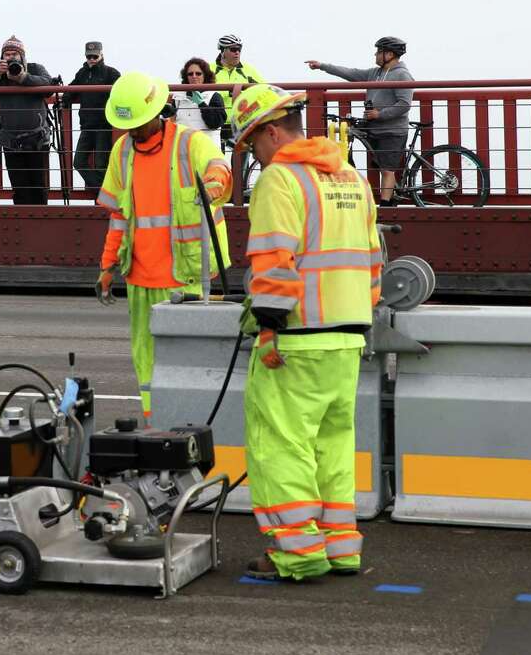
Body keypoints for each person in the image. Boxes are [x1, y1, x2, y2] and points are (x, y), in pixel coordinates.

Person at [229, 83, 381, 582]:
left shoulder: (281, 179)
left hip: (297, 338)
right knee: (334, 447)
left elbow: (274, 259)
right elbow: (373, 260)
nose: (253, 154)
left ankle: (296, 553)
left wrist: (269, 326)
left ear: (272, 132)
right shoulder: (351, 178)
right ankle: (341, 549)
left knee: (282, 446)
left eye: (252, 143)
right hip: (348, 335)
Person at [94, 71, 233, 420]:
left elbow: (220, 168)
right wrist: (107, 266)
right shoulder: (122, 152)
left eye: (141, 122)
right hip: (140, 277)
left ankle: (193, 421)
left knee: (190, 360)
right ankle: (154, 419)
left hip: (185, 277)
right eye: (130, 125)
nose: (135, 131)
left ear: (159, 112)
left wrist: (215, 183)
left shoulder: (190, 144)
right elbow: (118, 217)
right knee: (146, 358)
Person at [306, 37, 414, 206]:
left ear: (390, 54)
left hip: (392, 130)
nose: (376, 54)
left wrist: (380, 114)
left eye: (379, 51)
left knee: (387, 170)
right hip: (374, 128)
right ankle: (387, 198)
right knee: (380, 165)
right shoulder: (375, 73)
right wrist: (322, 66)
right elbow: (350, 73)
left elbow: (404, 105)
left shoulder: (402, 75)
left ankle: (385, 206)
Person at [0, 35, 54, 205]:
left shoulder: (35, 69)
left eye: (14, 53)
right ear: (2, 57)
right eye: (7, 54)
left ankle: (40, 225)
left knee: (39, 187)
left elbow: (49, 86)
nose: (11, 57)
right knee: (19, 188)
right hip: (10, 141)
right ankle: (23, 227)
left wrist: (23, 78)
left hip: (37, 140)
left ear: (22, 56)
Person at [64, 41, 120, 199]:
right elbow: (72, 88)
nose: (92, 59)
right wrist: (66, 97)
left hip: (104, 125)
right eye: (89, 56)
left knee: (101, 165)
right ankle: (105, 193)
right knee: (79, 162)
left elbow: (119, 92)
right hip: (87, 126)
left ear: (102, 55)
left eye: (95, 56)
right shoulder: (82, 73)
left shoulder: (111, 73)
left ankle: (104, 196)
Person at [212, 35, 266, 143]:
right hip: (216, 122)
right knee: (217, 157)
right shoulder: (210, 69)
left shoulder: (248, 70)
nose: (237, 53)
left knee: (241, 156)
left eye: (239, 49)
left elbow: (264, 90)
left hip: (241, 121)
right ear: (222, 51)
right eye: (233, 49)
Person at [170, 58, 226, 132]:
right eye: (190, 74)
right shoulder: (178, 98)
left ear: (205, 75)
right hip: (184, 142)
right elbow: (171, 124)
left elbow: (215, 123)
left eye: (198, 73)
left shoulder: (214, 96)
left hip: (207, 142)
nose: (194, 76)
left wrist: (201, 104)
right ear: (186, 77)